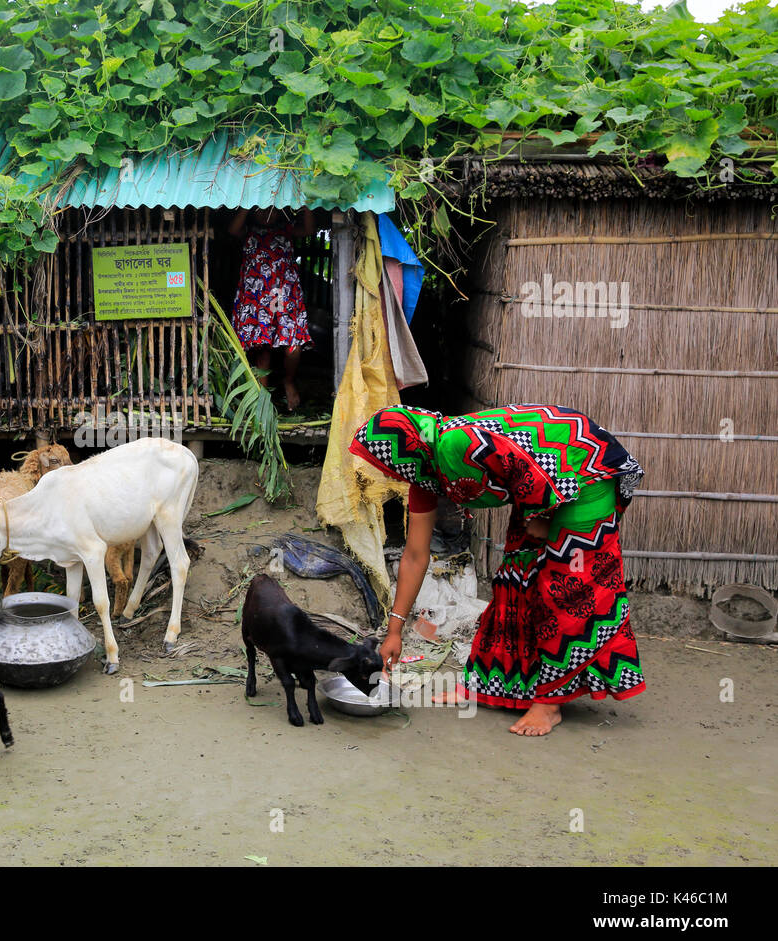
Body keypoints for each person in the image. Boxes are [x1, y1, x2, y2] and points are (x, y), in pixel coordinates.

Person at [350, 404, 647, 736]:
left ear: (405, 447)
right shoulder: (425, 473)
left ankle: (549, 705)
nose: (388, 473)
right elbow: (415, 556)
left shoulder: (454, 443)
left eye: (385, 463)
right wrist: (394, 632)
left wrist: (541, 518)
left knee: (566, 588)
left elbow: (523, 458)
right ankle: (490, 685)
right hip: (542, 489)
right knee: (514, 578)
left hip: (584, 476)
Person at [229, 206, 315, 411]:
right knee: (262, 350)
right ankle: (263, 404)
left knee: (293, 346)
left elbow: (310, 230)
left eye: (272, 209)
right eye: (260, 209)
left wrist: (305, 207)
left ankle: (289, 381)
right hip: (257, 298)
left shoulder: (286, 229)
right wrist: (247, 203)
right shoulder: (248, 231)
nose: (266, 213)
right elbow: (232, 230)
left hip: (285, 295)